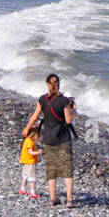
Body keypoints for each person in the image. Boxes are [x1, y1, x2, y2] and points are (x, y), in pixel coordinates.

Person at [23, 73, 77, 207]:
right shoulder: (64, 101)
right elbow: (68, 120)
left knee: (51, 169)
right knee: (66, 170)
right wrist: (74, 110)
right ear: (58, 84)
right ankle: (69, 200)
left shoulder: (42, 99)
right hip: (63, 138)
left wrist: (26, 128)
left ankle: (53, 198)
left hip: (48, 138)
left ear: (48, 85)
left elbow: (34, 116)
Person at [19, 128, 42, 197]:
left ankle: (22, 189)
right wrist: (38, 152)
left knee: (25, 176)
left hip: (24, 161)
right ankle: (32, 192)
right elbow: (30, 152)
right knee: (32, 177)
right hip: (29, 162)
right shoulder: (30, 142)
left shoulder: (26, 140)